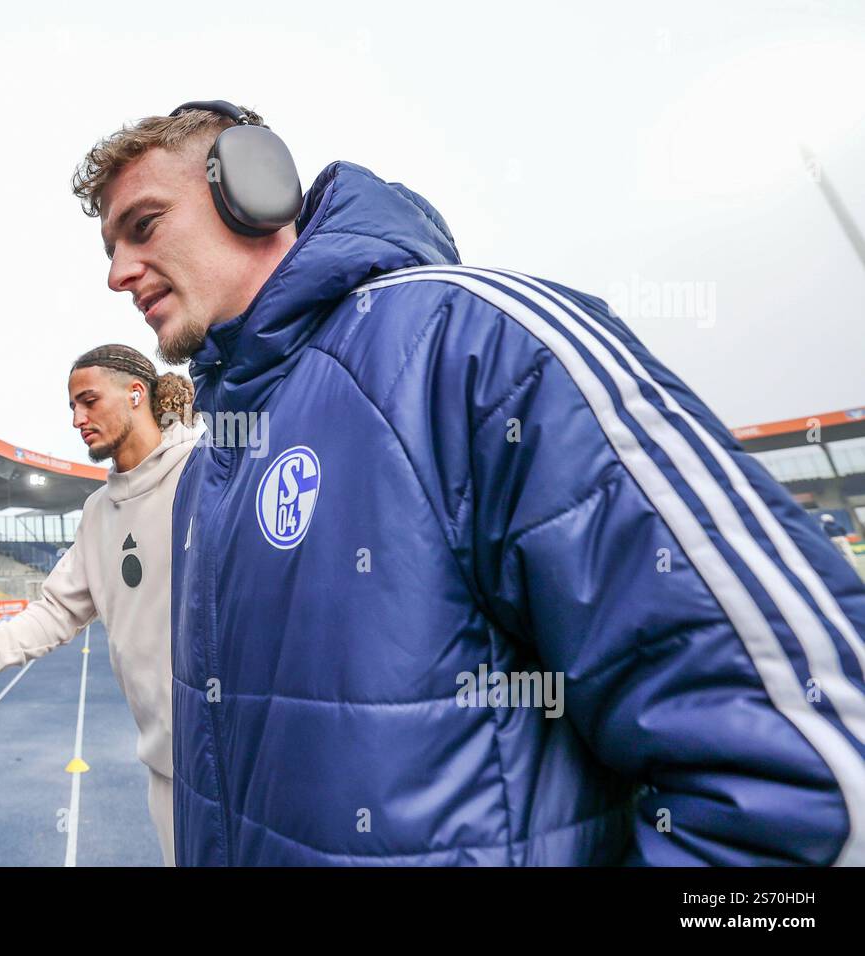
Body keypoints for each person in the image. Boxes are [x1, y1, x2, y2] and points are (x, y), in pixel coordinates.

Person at [73, 100, 865, 865]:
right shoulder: (215, 463)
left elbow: (807, 766)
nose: (117, 273)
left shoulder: (471, 346)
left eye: (142, 226)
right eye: (109, 247)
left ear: (254, 190)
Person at [0, 345, 200, 866]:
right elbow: (54, 611)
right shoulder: (98, 513)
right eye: (72, 407)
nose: (77, 419)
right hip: (168, 771)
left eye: (89, 401)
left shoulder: (204, 475)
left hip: (243, 761)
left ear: (136, 393)